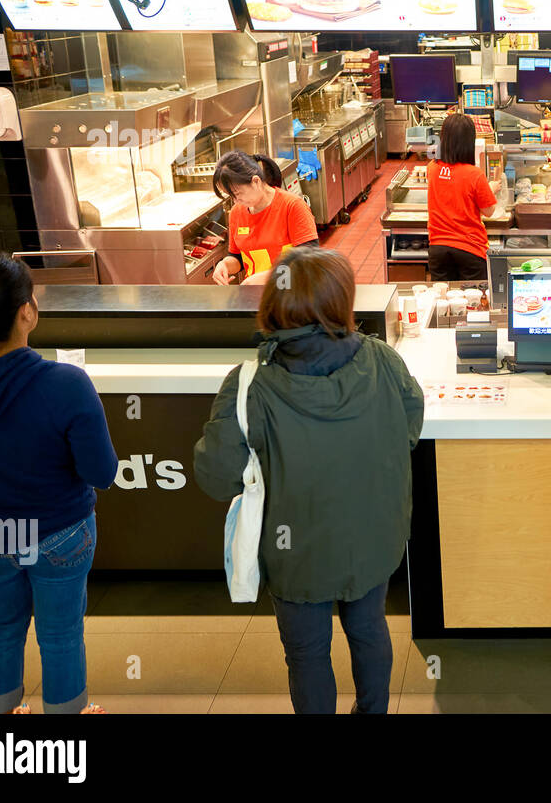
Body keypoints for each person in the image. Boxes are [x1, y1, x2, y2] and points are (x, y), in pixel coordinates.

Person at [194, 247, 424, 714]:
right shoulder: (382, 359)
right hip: (372, 536)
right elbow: (410, 428)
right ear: (341, 302)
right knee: (369, 629)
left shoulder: (249, 384)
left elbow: (216, 477)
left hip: (293, 551)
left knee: (306, 654)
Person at [0, 253, 116, 714]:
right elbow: (102, 473)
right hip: (57, 530)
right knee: (60, 637)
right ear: (27, 312)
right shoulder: (65, 384)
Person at [210, 151, 319, 285]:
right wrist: (225, 265)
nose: (236, 201)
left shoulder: (292, 206)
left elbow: (309, 261)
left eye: (238, 194)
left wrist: (266, 278)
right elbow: (238, 257)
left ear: (256, 181)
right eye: (231, 196)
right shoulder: (236, 213)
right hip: (255, 295)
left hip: (293, 294)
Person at [426, 113, 502, 281]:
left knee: (444, 301)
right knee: (474, 302)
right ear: (469, 142)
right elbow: (488, 211)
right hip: (470, 249)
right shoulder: (474, 174)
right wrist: (490, 189)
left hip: (438, 250)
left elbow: (449, 188)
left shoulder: (432, 168)